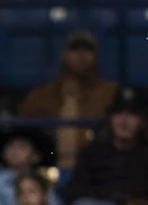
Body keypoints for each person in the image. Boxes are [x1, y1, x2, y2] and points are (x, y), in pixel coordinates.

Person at [15, 30, 118, 168]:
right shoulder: (41, 95)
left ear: (97, 56)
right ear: (64, 54)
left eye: (87, 49)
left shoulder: (111, 93)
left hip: (100, 166)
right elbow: (22, 131)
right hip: (48, 165)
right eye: (75, 49)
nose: (81, 54)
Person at [66, 87, 148, 205]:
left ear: (142, 121)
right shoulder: (91, 153)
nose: (124, 121)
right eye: (118, 113)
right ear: (110, 119)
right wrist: (111, 196)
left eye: (132, 115)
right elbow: (74, 192)